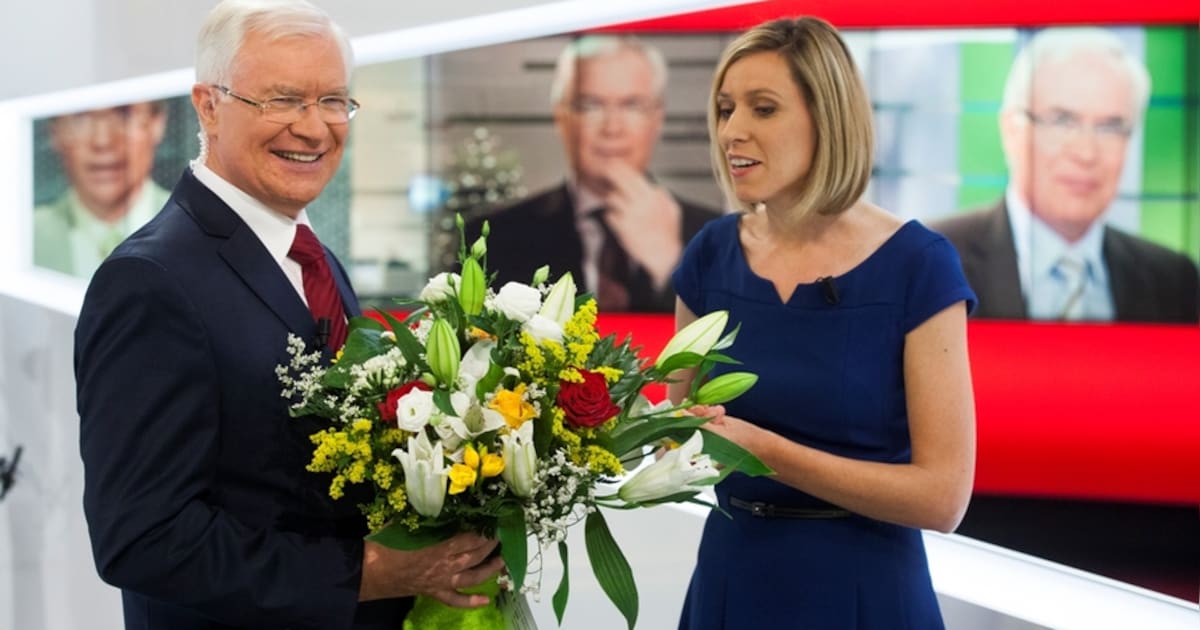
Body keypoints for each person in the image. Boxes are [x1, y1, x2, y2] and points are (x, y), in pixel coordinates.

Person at [74, 2, 502, 629]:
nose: (313, 127)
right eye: (281, 100)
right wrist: (373, 573)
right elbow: (143, 536)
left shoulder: (315, 259)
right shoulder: (150, 281)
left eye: (333, 100)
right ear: (208, 106)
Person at [670, 18, 976, 628]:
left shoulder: (918, 265)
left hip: (864, 589)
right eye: (727, 109)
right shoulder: (711, 253)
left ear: (827, 120)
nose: (733, 131)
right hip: (734, 578)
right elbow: (676, 434)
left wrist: (767, 454)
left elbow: (943, 498)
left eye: (764, 109)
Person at [932, 28, 1199, 323]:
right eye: (1062, 120)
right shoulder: (930, 257)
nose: (1086, 153)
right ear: (1012, 130)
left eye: (1110, 126)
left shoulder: (1175, 278)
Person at [463, 35, 718, 312]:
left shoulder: (715, 235)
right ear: (561, 115)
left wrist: (670, 264)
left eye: (632, 105)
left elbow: (734, 341)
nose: (612, 128)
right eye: (591, 105)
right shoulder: (494, 238)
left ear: (657, 117)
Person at [33, 101, 171, 278]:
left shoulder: (198, 231)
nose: (103, 141)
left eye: (124, 113)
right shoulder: (20, 240)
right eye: (80, 117)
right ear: (55, 132)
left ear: (157, 124)